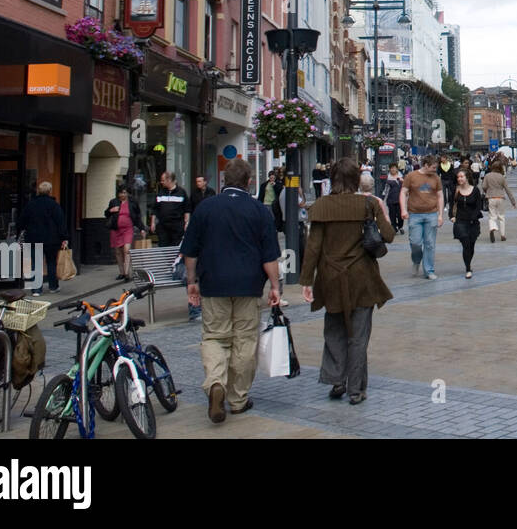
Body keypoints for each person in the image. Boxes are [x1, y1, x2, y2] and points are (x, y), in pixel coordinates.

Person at [181, 157, 281, 422]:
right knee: (245, 339)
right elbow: (269, 256)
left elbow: (189, 252)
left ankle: (216, 383)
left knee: (215, 336)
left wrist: (191, 281)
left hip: (213, 283)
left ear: (224, 180)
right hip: (248, 284)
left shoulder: (205, 208)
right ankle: (238, 399)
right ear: (249, 182)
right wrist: (275, 286)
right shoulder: (259, 210)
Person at [300, 157, 395, 405]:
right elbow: (388, 235)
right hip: (362, 277)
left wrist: (306, 281)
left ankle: (336, 380)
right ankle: (356, 389)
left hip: (331, 277)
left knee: (334, 330)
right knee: (359, 335)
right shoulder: (368, 204)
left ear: (332, 179)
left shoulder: (321, 206)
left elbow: (313, 248)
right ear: (356, 179)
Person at [400, 155, 444, 279]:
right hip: (414, 214)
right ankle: (416, 260)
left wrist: (440, 215)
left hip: (431, 213)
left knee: (430, 243)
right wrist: (403, 209)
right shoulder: (411, 176)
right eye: (433, 167)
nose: (435, 170)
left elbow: (440, 196)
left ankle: (429, 270)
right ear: (425, 165)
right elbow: (403, 192)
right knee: (415, 242)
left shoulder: (436, 178)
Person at [21, 181, 67, 295]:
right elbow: (60, 222)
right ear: (49, 191)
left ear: (38, 191)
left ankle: (36, 289)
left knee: (36, 263)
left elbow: (22, 220)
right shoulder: (54, 205)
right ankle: (53, 287)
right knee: (51, 262)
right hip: (51, 240)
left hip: (34, 238)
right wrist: (64, 237)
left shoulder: (31, 204)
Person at [450, 169, 485, 278]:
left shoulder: (475, 190)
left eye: (461, 177)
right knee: (465, 244)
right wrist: (451, 216)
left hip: (473, 222)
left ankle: (468, 263)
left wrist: (473, 216)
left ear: (467, 177)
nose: (459, 179)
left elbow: (478, 206)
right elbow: (451, 204)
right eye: (458, 177)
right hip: (460, 221)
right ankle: (468, 268)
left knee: (471, 245)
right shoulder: (456, 190)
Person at [106, 186, 144, 280]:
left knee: (126, 250)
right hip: (116, 230)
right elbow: (106, 213)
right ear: (118, 194)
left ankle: (127, 273)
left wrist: (142, 228)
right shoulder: (113, 202)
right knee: (118, 251)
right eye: (121, 193)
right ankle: (121, 272)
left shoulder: (132, 203)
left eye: (125, 192)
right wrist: (111, 210)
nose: (123, 195)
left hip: (128, 229)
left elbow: (137, 216)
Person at [481, 159, 517, 242]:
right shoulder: (501, 177)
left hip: (491, 198)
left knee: (492, 216)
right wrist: (513, 202)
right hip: (500, 197)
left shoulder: (488, 176)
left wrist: (487, 191)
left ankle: (492, 227)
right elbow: (507, 190)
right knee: (501, 217)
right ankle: (502, 235)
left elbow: (483, 186)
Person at [151, 172, 190, 248]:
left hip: (177, 226)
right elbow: (155, 208)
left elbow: (187, 209)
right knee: (163, 247)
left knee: (176, 247)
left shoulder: (181, 192)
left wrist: (186, 223)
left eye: (163, 180)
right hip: (163, 226)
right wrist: (153, 223)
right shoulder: (161, 192)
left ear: (169, 180)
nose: (161, 182)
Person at [383, 165, 405, 234]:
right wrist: (383, 199)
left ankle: (400, 226)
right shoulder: (388, 179)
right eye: (391, 168)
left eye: (394, 168)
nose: (393, 170)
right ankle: (394, 228)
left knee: (400, 215)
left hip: (400, 200)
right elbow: (385, 190)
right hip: (391, 200)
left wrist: (403, 181)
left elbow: (405, 187)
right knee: (392, 215)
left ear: (397, 169)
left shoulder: (401, 177)